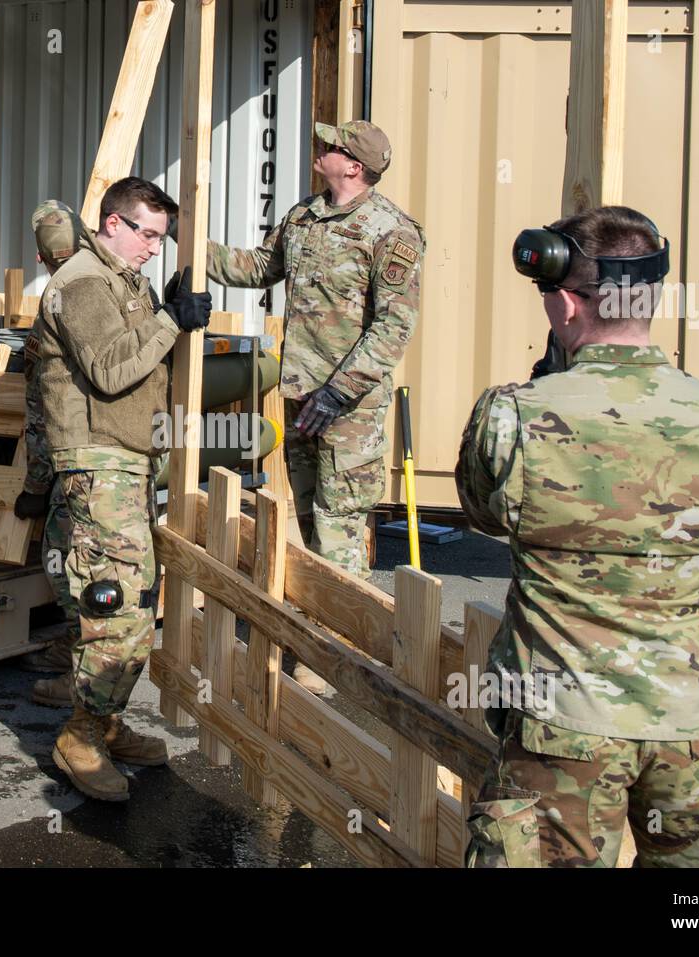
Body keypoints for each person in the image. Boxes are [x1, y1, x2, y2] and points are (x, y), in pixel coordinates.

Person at [456, 205, 699, 868]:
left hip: (566, 729)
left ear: (571, 306)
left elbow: (485, 513)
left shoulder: (514, 418)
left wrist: (550, 385)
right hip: (692, 725)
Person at [206, 119, 423, 693]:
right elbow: (256, 268)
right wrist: (187, 234)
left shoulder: (392, 232)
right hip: (303, 396)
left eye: (330, 147)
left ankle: (340, 657)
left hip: (347, 408)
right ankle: (321, 631)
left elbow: (393, 327)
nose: (318, 150)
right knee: (308, 520)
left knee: (341, 524)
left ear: (353, 165)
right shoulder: (304, 216)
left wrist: (339, 390)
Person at [33, 177, 211, 801]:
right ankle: (81, 736)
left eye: (163, 238)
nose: (155, 248)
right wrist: (169, 319)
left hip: (122, 459)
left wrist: (160, 312)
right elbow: (109, 371)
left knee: (125, 596)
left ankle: (103, 724)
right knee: (122, 607)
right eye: (148, 234)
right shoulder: (83, 281)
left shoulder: (118, 278)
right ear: (113, 224)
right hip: (98, 462)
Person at [12, 201, 90, 705]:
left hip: (75, 462)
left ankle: (79, 668)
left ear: (42, 259)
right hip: (119, 457)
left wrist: (36, 486)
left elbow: (44, 411)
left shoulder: (52, 309)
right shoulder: (119, 288)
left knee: (66, 557)